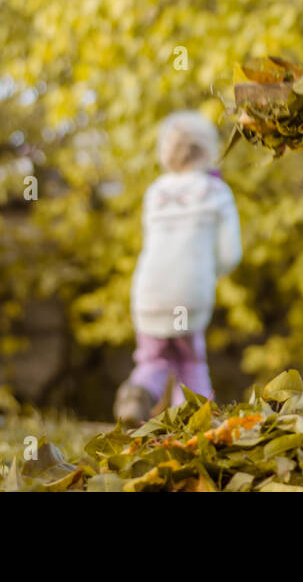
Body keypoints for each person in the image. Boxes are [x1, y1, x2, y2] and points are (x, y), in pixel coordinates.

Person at [113, 110, 243, 428]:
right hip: (190, 293)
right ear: (209, 150)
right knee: (190, 360)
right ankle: (193, 423)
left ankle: (136, 396)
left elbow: (152, 244)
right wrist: (211, 273)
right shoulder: (216, 192)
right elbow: (231, 253)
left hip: (149, 292)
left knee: (154, 358)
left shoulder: (156, 191)